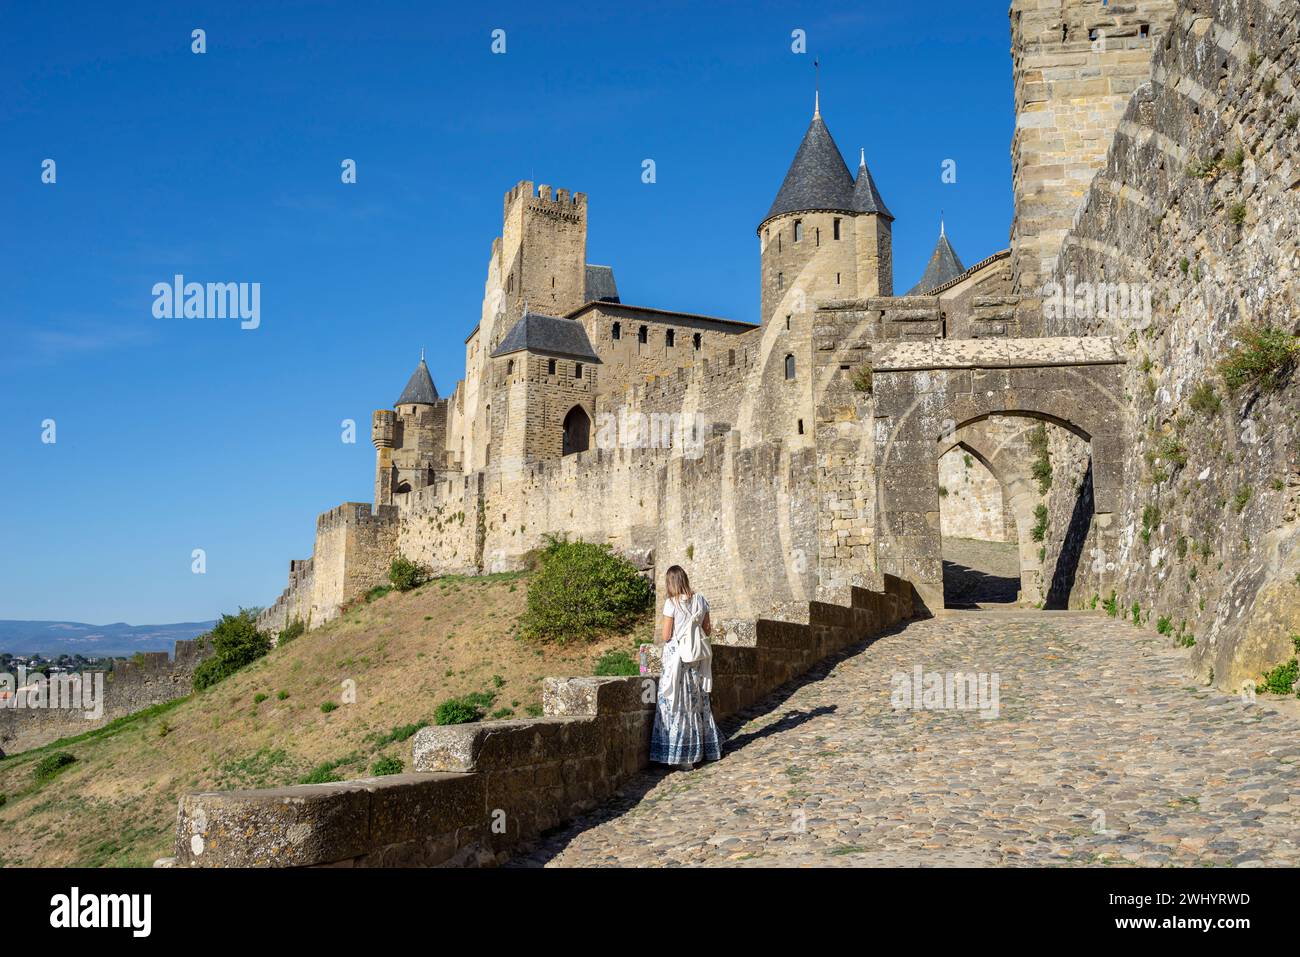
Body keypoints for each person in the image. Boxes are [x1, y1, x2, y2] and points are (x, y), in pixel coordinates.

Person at [649, 564, 722, 769]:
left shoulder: (671, 604)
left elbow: (666, 635)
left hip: (676, 659)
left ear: (670, 582)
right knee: (696, 702)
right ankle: (698, 751)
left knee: (674, 702)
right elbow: (707, 630)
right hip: (695, 658)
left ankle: (679, 756)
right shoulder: (700, 600)